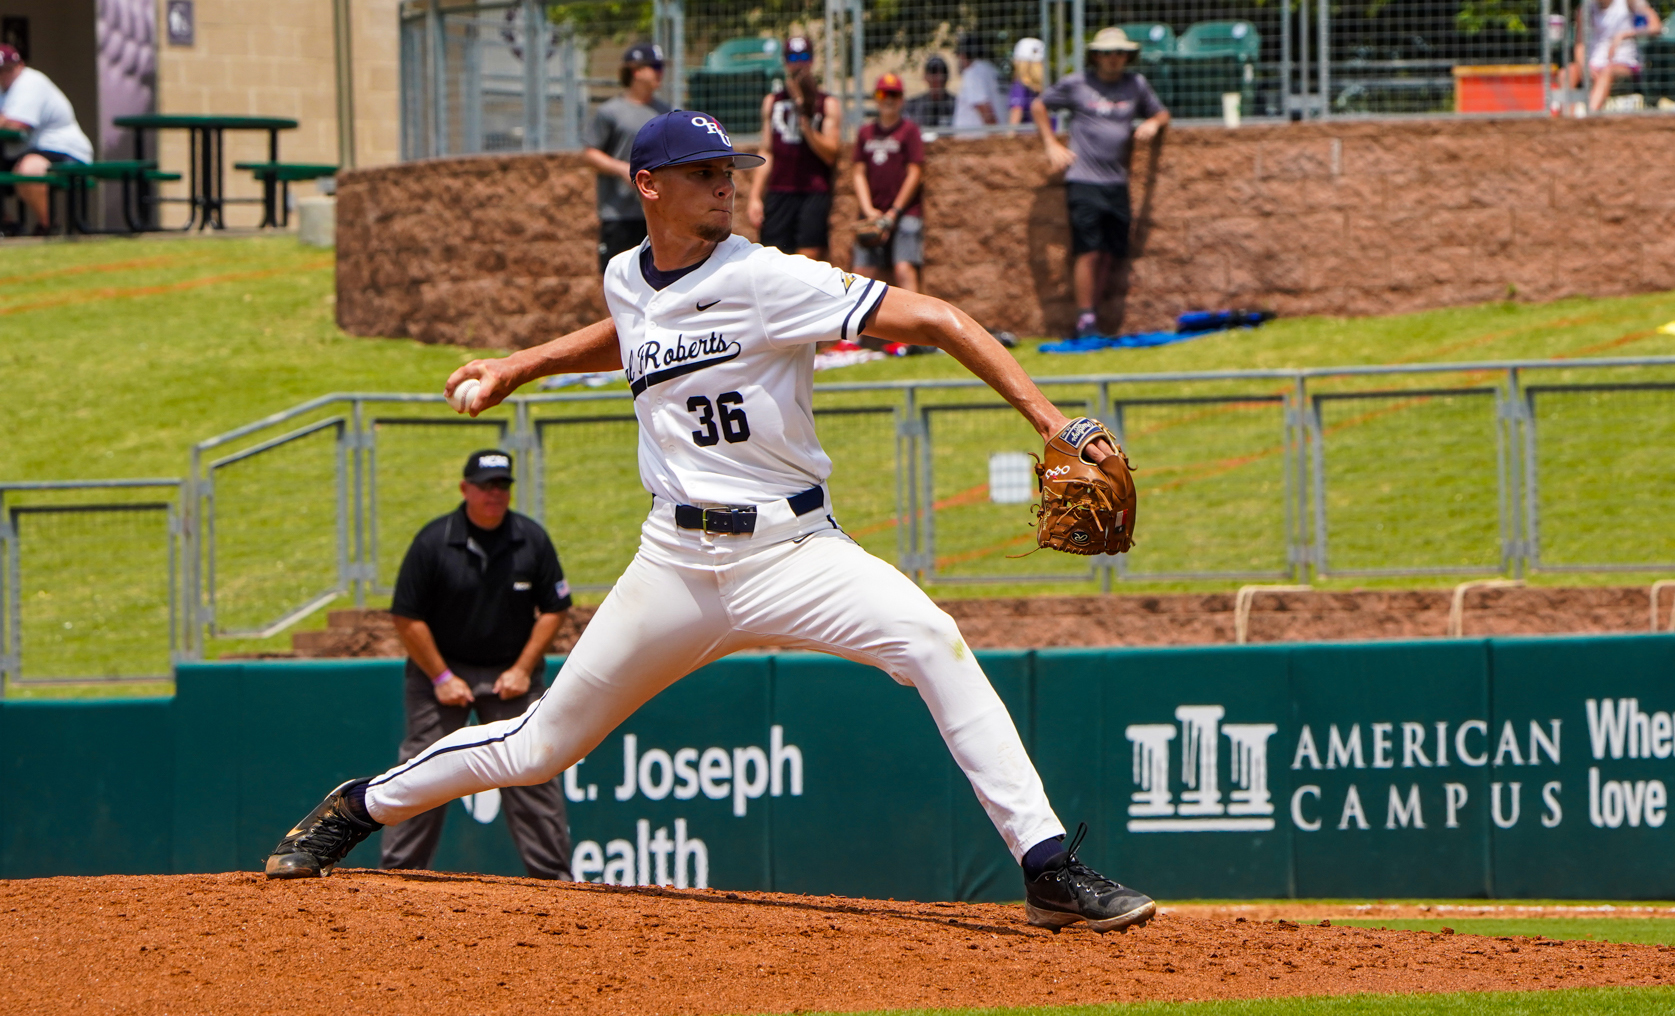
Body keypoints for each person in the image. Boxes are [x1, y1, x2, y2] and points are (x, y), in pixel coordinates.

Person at [264, 109, 1156, 936]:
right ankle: (358, 806)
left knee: (931, 639)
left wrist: (1049, 420)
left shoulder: (769, 276)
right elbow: (631, 325)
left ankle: (1046, 866)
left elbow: (937, 318)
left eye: (730, 170)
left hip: (797, 550)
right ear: (648, 184)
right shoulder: (626, 276)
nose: (725, 183)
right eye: (702, 172)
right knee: (540, 745)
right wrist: (519, 364)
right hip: (676, 563)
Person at [380, 449, 574, 881]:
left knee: (533, 769)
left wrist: (524, 668)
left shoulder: (530, 538)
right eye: (486, 486)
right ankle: (396, 882)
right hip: (442, 673)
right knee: (422, 770)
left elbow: (556, 608)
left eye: (502, 485)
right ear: (465, 488)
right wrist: (442, 677)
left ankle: (555, 883)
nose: (495, 494)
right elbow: (406, 617)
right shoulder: (434, 541)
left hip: (511, 672)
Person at [1031, 27, 1169, 339]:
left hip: (1117, 181)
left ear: (1127, 56)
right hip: (1084, 180)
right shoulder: (1077, 83)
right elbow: (1039, 105)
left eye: (1119, 53)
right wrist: (1051, 144)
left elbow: (1162, 114)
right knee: (1088, 251)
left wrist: (1151, 122)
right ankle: (1084, 318)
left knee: (1109, 252)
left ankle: (1093, 316)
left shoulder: (1135, 84)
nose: (1113, 59)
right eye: (1107, 53)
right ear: (1096, 56)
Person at [748, 35, 840, 259]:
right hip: (780, 190)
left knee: (809, 258)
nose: (799, 63)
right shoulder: (773, 101)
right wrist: (754, 196)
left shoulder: (826, 103)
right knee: (773, 258)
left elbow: (830, 154)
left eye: (804, 56)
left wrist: (805, 121)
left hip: (813, 191)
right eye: (793, 57)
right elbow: (767, 151)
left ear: (812, 60)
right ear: (785, 61)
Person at [582, 43, 672, 273]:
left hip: (658, 211)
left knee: (660, 274)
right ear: (636, 71)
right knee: (617, 277)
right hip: (620, 213)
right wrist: (622, 168)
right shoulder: (610, 112)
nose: (660, 72)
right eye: (655, 66)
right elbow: (590, 154)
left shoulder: (665, 111)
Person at [0, 44, 92, 235]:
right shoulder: (3, 90)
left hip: (63, 148)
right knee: (24, 165)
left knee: (28, 169)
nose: (4, 74)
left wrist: (5, 121)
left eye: (7, 69)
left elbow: (18, 124)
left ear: (20, 65)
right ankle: (8, 224)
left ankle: (48, 226)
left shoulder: (30, 82)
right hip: (23, 149)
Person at [851, 73, 925, 293]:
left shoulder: (909, 131)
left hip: (905, 213)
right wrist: (869, 211)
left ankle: (915, 324)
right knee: (861, 272)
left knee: (904, 269)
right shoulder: (865, 132)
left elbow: (915, 173)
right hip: (872, 213)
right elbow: (858, 172)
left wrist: (893, 213)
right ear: (876, 98)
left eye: (894, 94)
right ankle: (860, 327)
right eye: (883, 93)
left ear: (902, 99)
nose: (888, 99)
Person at [1561, 0, 1660, 112]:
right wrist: (1585, 68)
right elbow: (1580, 44)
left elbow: (1656, 27)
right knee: (1567, 72)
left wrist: (1624, 35)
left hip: (1624, 63)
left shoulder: (1630, 2)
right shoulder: (1586, 7)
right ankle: (1568, 118)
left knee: (1607, 71)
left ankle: (1589, 116)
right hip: (1593, 63)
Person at [952, 34, 1001, 129]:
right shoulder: (994, 71)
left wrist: (998, 139)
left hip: (979, 140)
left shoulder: (974, 72)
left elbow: (986, 112)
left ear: (963, 55)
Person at [903, 55, 956, 128]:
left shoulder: (956, 104)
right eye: (934, 72)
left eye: (943, 72)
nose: (939, 77)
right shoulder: (913, 106)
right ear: (925, 76)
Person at [1008, 38, 1045, 126]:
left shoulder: (1020, 86)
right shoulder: (1045, 87)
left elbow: (1016, 112)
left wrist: (1008, 136)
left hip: (1028, 137)